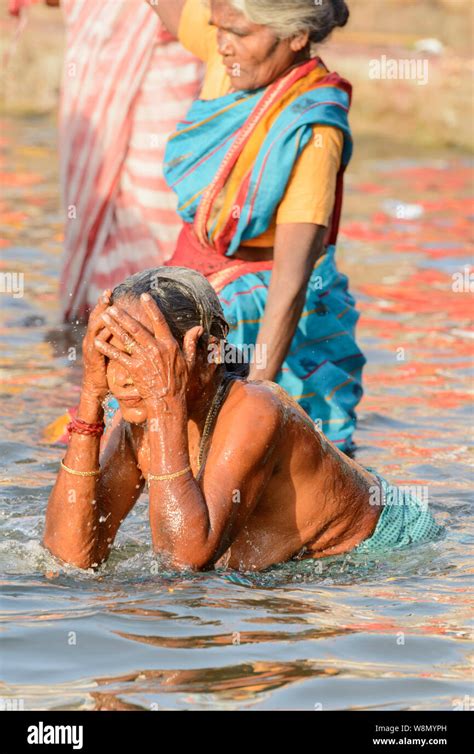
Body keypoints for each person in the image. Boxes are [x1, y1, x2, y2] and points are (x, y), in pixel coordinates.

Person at [42, 269, 445, 572]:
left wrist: (166, 402)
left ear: (206, 352)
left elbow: (182, 560)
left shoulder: (256, 408)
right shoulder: (137, 418)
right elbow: (71, 558)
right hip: (279, 568)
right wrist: (91, 397)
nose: (125, 376)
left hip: (379, 550)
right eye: (112, 356)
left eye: (147, 357)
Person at [146, 0, 365, 453]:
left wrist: (254, 409)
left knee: (264, 477)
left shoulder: (311, 126)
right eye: (217, 29)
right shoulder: (233, 56)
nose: (223, 46)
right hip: (195, 284)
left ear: (296, 37)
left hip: (263, 316)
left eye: (239, 34)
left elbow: (290, 282)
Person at [16, 0, 203, 320]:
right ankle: (110, 321)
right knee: (108, 201)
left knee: (162, 195)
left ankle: (160, 318)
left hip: (172, 51)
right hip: (112, 40)